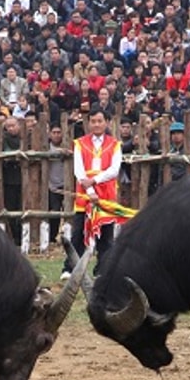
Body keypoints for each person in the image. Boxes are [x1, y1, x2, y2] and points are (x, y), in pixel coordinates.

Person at [69, 109, 124, 273]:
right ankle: (71, 267)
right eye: (93, 121)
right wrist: (90, 190)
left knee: (106, 234)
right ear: (88, 123)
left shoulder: (115, 144)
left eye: (100, 121)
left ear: (107, 122)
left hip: (106, 193)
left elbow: (114, 170)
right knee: (79, 231)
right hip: (84, 193)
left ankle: (103, 268)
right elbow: (78, 170)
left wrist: (94, 180)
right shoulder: (80, 143)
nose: (96, 124)